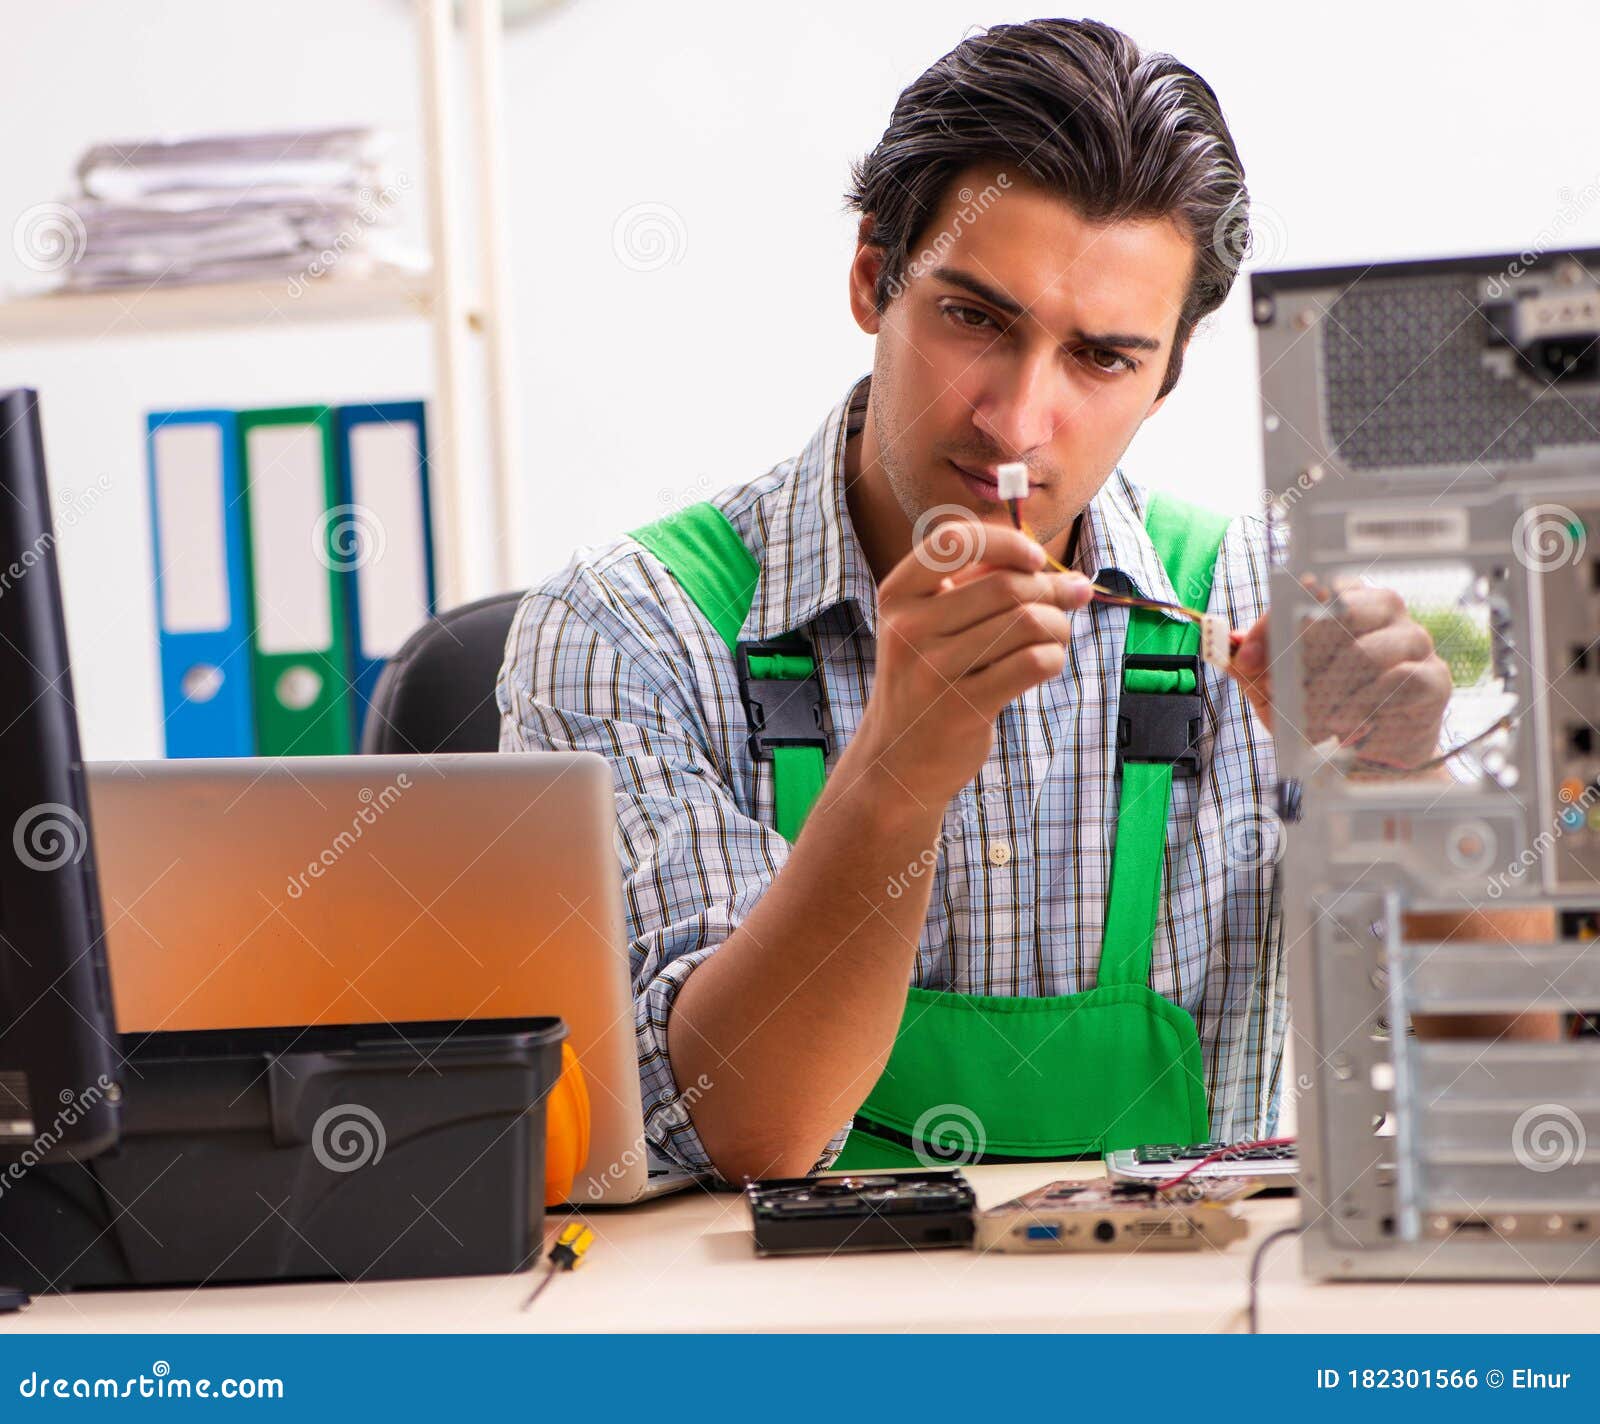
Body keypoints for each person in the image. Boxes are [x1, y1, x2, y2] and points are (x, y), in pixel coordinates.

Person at [498, 18, 1555, 1185]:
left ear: (1166, 378)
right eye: (974, 318)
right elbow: (750, 1128)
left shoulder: (1265, 604)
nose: (1013, 420)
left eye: (1100, 357)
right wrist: (898, 766)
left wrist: (1407, 778)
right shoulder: (629, 634)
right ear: (870, 277)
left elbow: (1515, 1072)